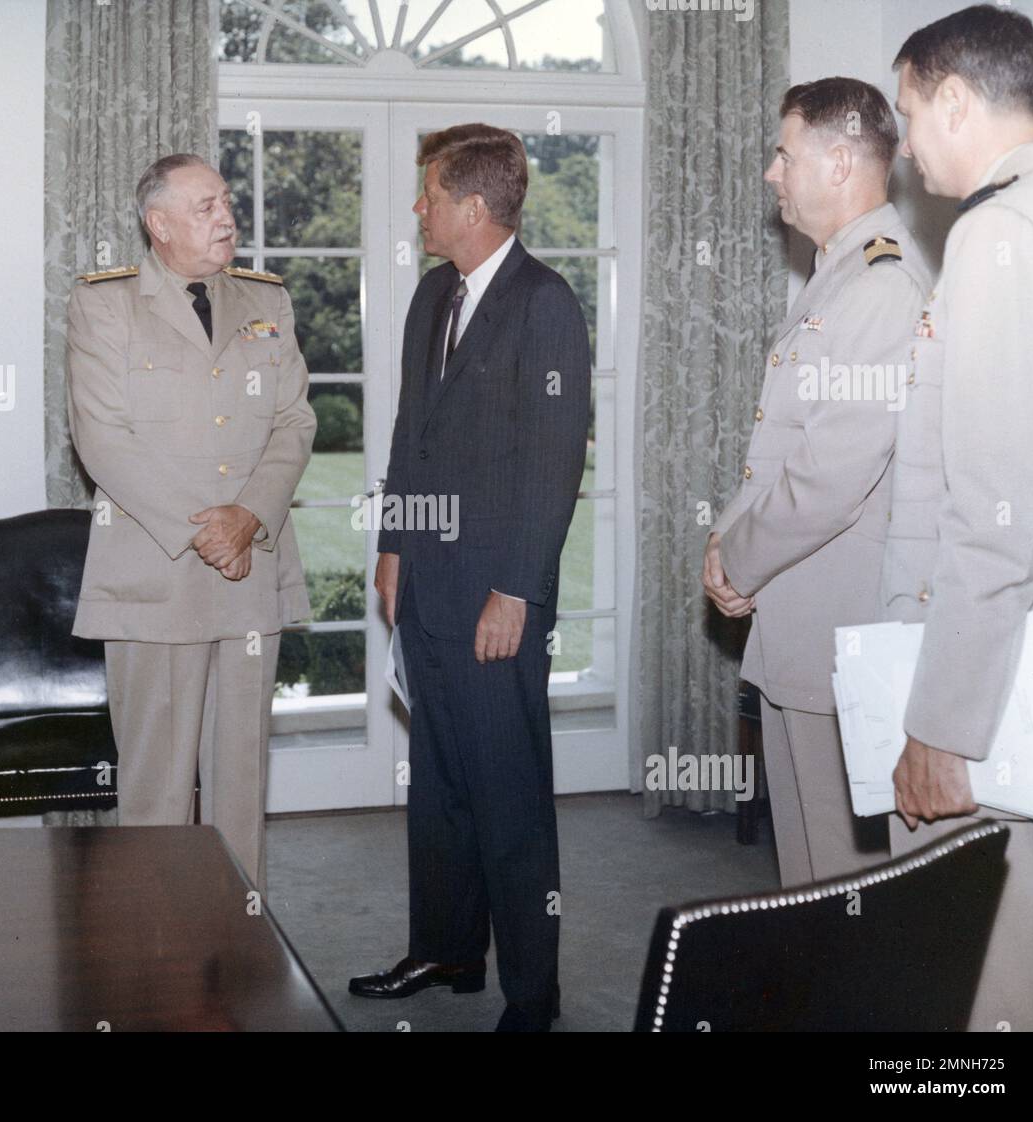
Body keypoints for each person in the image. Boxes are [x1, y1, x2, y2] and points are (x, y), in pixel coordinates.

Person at [349, 124, 590, 1032]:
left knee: (509, 795)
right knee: (440, 782)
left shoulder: (547, 304)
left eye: (430, 196)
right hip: (428, 586)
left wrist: (518, 590)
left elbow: (553, 464)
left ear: (474, 209)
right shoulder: (428, 300)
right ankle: (447, 950)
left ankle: (535, 995)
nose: (420, 208)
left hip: (498, 597)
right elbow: (413, 435)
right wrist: (393, 544)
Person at [65, 154, 314, 895]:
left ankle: (240, 947)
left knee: (241, 779)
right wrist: (203, 529)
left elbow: (295, 421)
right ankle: (153, 961)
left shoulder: (267, 298)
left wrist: (249, 517)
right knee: (155, 789)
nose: (226, 217)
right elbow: (101, 436)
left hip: (249, 569)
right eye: (205, 206)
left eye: (227, 202)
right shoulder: (104, 304)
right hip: (155, 574)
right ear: (159, 224)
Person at [703, 79, 930, 887]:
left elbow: (833, 474)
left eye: (784, 153)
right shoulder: (837, 275)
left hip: (839, 623)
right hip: (804, 621)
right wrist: (728, 535)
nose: (772, 173)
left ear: (838, 162)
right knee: (806, 876)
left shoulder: (878, 286)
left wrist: (739, 559)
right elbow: (781, 446)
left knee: (840, 884)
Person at [886, 4, 1033, 1031]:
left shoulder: (999, 232)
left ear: (954, 98)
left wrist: (941, 726)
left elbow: (993, 507)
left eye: (907, 114)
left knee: (993, 966)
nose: (903, 146)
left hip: (1006, 672)